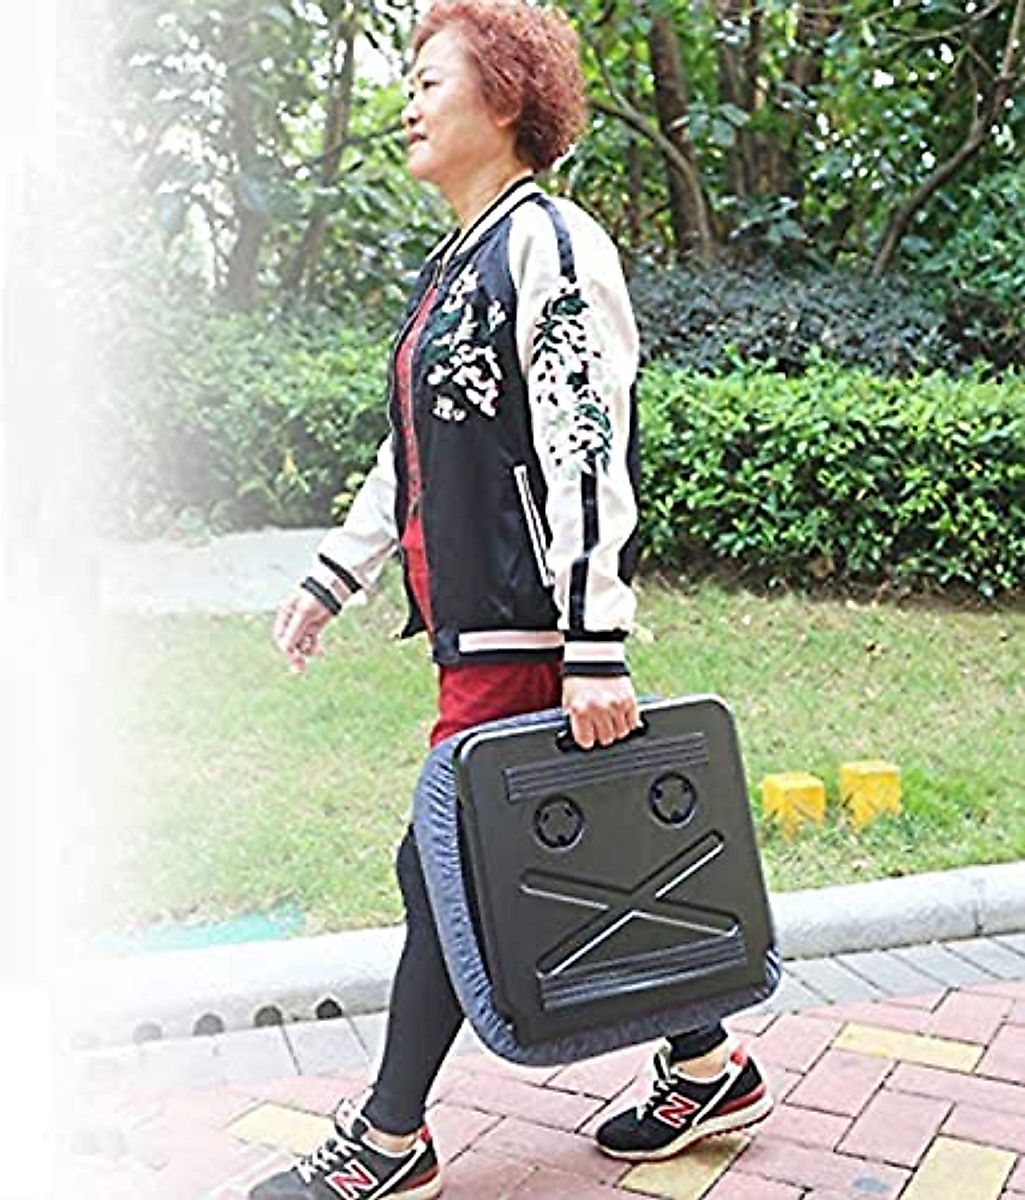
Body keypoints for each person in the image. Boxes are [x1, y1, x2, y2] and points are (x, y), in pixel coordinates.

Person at [252, 3, 771, 1195]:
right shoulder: (457, 265)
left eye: (431, 82)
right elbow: (413, 452)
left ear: (505, 99)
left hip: (530, 631)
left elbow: (589, 445)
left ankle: (391, 1138)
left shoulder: (552, 244)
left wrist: (596, 644)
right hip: (476, 630)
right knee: (476, 859)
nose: (409, 105)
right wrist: (334, 578)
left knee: (442, 867)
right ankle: (708, 1064)